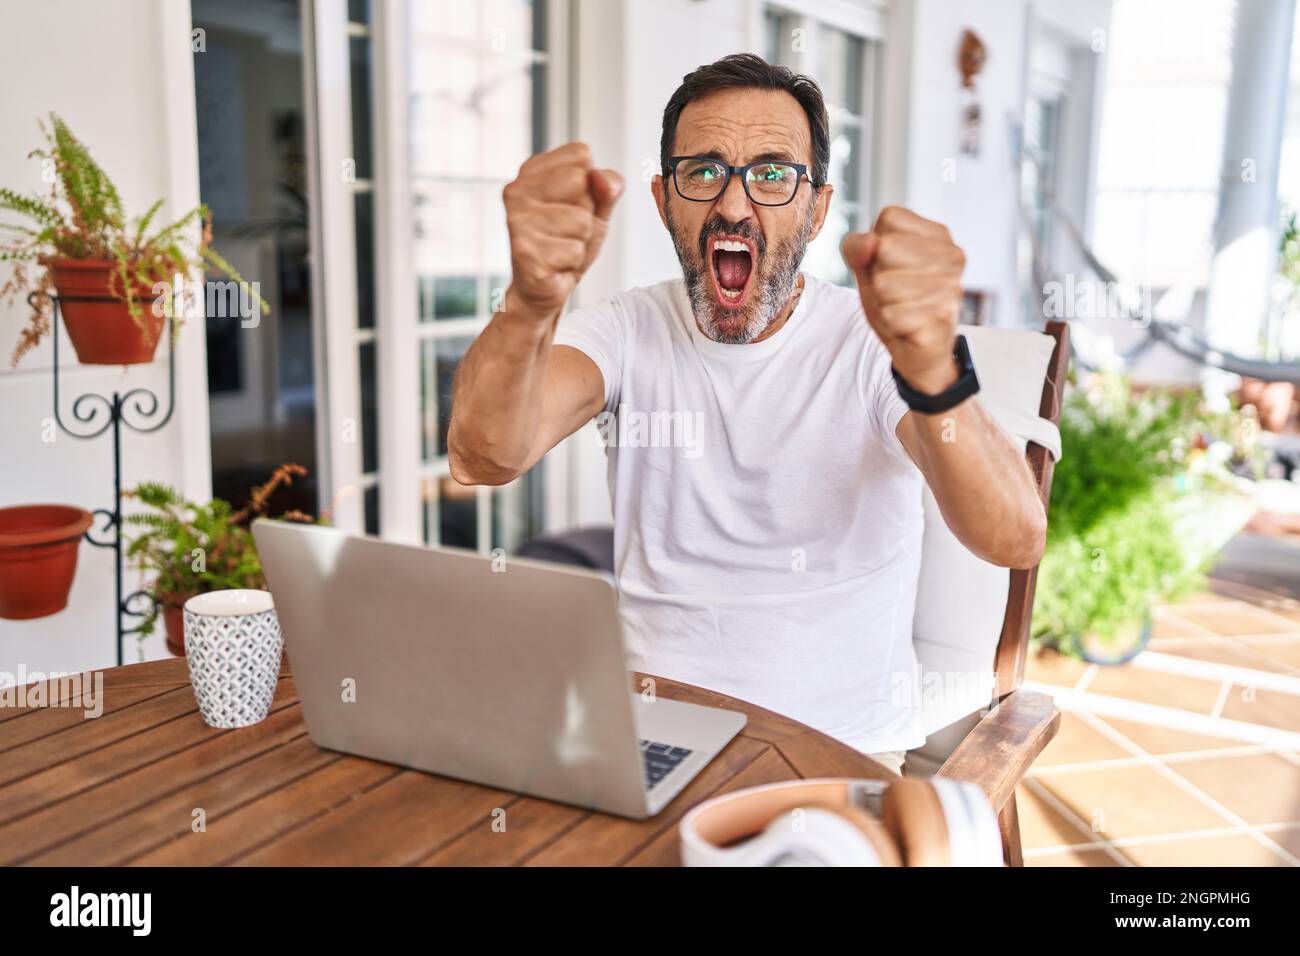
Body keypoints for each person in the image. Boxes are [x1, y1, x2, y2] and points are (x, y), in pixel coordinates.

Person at [447, 54, 1045, 775]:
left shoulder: (869, 344)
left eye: (771, 174)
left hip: (835, 753)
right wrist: (531, 304)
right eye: (703, 172)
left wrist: (934, 372)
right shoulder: (626, 329)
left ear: (817, 208)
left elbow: (1014, 538)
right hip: (646, 737)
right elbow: (483, 455)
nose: (734, 206)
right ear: (664, 199)